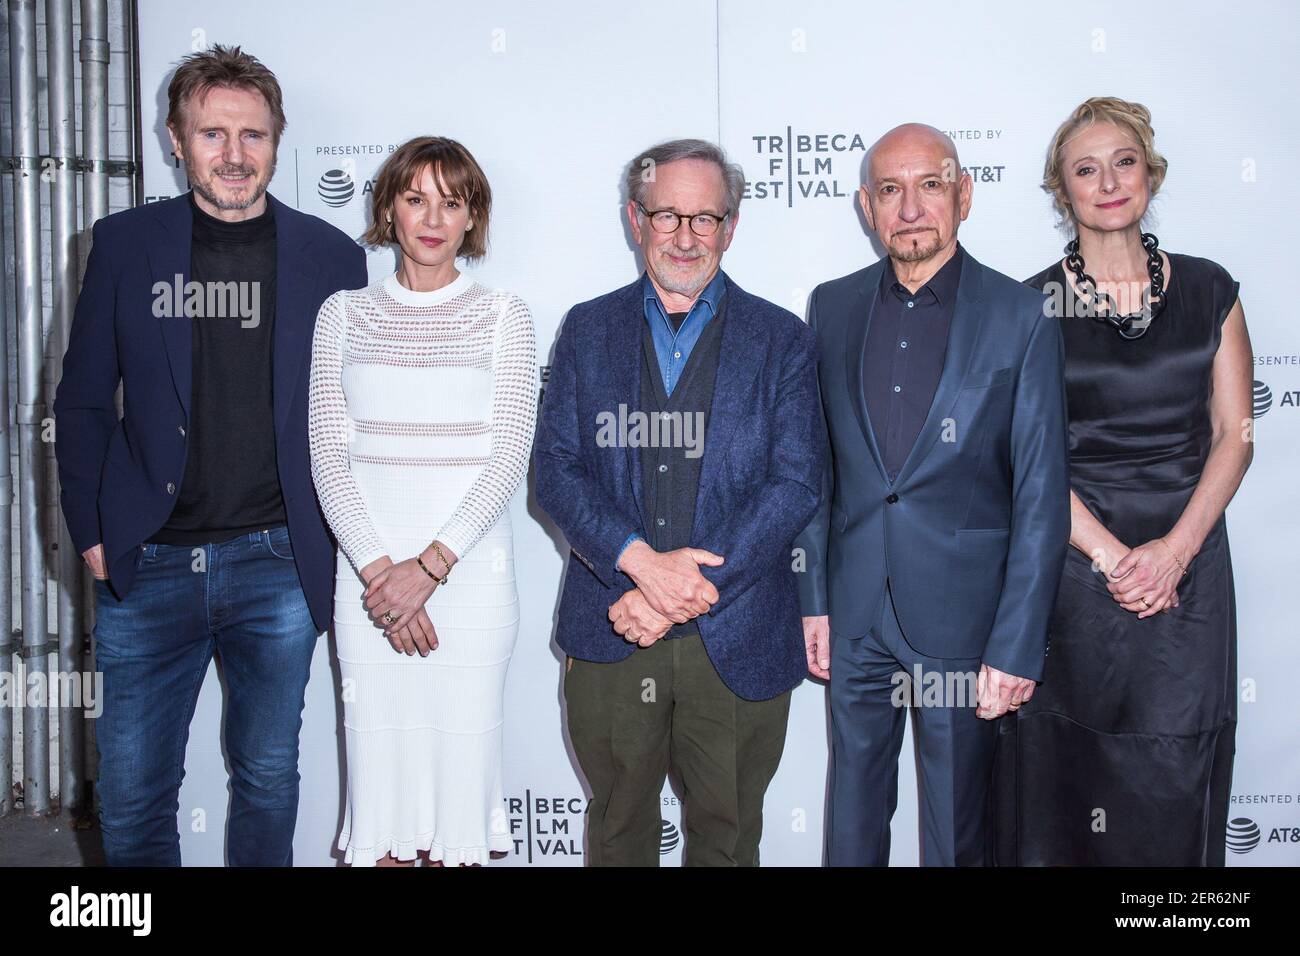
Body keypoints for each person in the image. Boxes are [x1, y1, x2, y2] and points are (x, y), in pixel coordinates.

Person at [52, 45, 367, 865]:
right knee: (132, 796)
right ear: (176, 139)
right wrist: (90, 527)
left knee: (267, 780)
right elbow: (82, 400)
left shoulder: (333, 258)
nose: (234, 154)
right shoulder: (124, 245)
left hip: (278, 563)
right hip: (148, 559)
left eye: (252, 135)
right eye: (212, 134)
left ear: (277, 140)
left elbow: (352, 415)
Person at [534, 139, 825, 866]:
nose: (686, 237)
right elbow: (557, 471)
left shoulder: (783, 339)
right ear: (636, 219)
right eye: (667, 216)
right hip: (612, 626)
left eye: (705, 218)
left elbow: (795, 482)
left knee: (727, 841)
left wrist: (676, 593)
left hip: (738, 632)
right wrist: (639, 563)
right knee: (617, 836)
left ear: (732, 227)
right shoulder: (586, 329)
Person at [795, 124, 1070, 866]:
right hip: (855, 616)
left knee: (955, 834)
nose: (911, 207)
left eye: (930, 185)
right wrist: (814, 597)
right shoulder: (833, 306)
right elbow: (818, 468)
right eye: (891, 189)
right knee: (850, 829)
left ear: (964, 194)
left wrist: (1016, 645)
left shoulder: (1021, 315)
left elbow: (1042, 494)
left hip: (963, 624)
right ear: (866, 205)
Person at [991, 97, 1253, 866]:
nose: (1108, 183)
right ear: (1062, 190)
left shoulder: (1210, 289)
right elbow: (1026, 455)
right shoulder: (1027, 306)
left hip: (1189, 570)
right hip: (1076, 570)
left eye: (1124, 162)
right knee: (1068, 769)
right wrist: (1114, 560)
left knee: (1177, 767)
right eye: (1086, 169)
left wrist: (1173, 553)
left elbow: (1234, 438)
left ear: (1150, 173)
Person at [308, 136, 536, 867]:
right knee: (382, 800)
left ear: (473, 217)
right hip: (368, 586)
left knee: (454, 815)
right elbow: (328, 456)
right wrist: (384, 576)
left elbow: (508, 457)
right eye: (416, 199)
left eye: (452, 202)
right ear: (388, 210)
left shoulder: (504, 316)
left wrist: (430, 567)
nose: (433, 219)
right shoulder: (342, 315)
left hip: (469, 585)